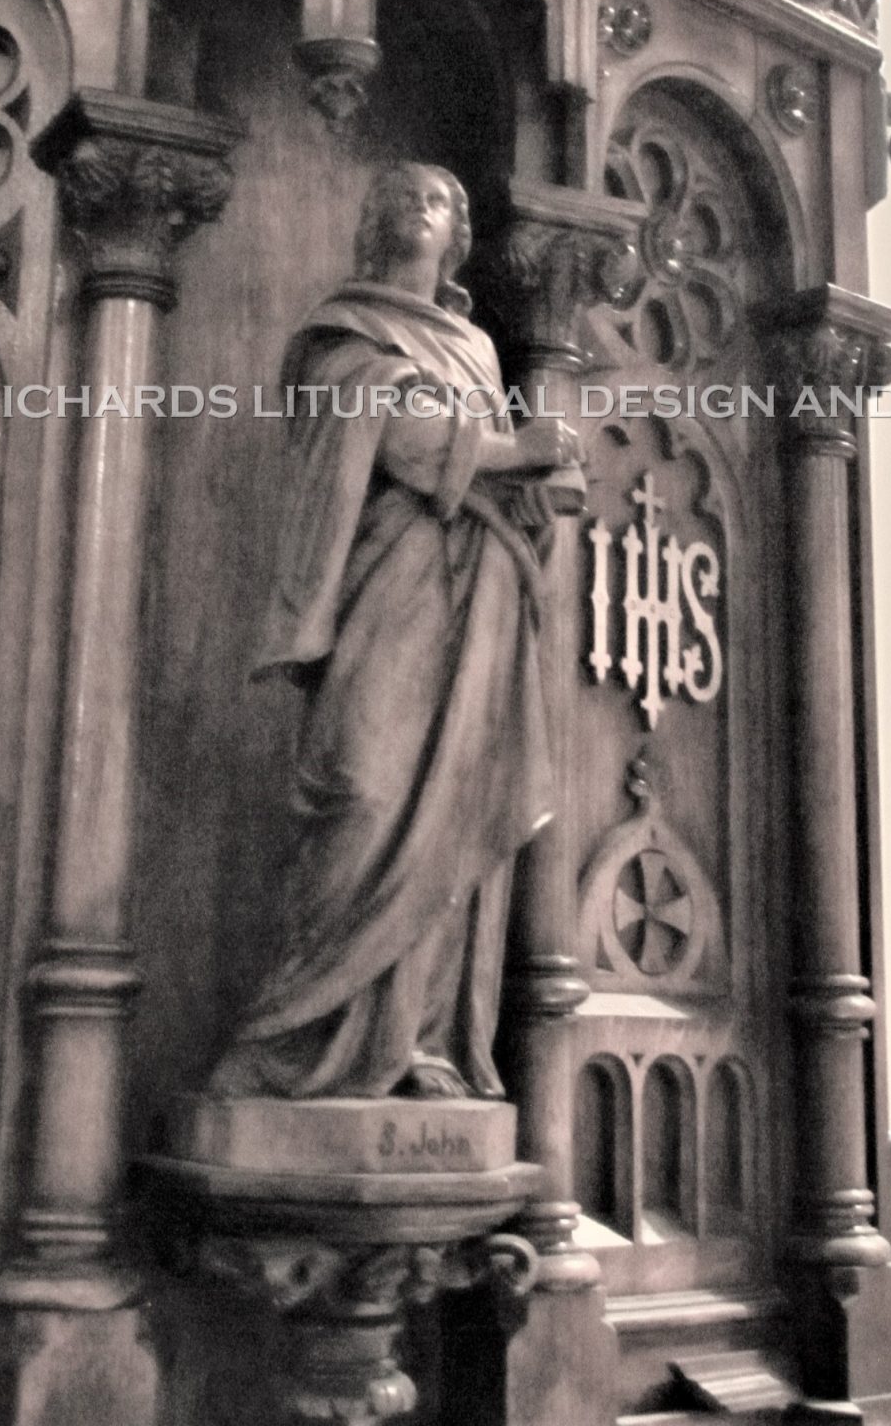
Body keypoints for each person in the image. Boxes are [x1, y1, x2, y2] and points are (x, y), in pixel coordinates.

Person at [209, 162, 580, 1101]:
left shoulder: (478, 350)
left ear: (458, 235)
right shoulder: (345, 334)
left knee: (460, 809)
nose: (421, 207)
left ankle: (420, 1049)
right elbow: (401, 435)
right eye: (401, 197)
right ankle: (293, 1037)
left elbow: (488, 458)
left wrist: (539, 478)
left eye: (441, 199)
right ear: (374, 224)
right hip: (390, 585)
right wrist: (518, 450)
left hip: (479, 593)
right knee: (365, 791)